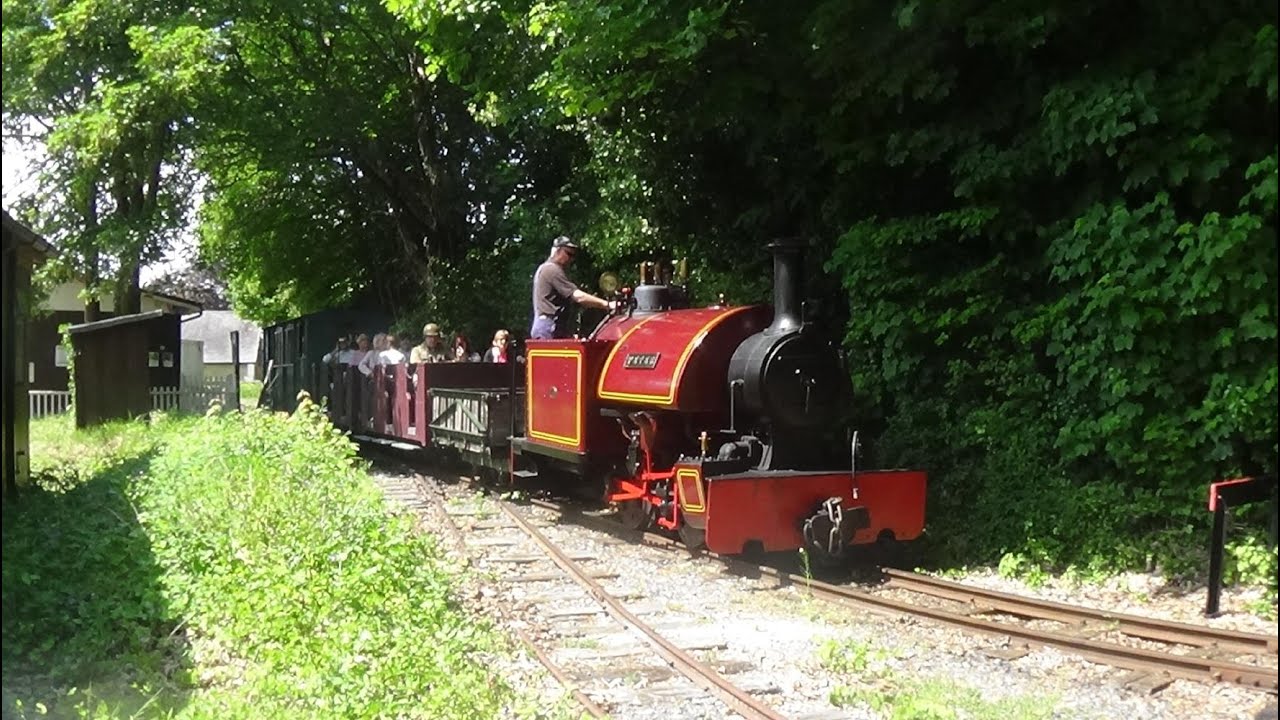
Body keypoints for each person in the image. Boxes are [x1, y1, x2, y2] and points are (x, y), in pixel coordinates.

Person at [530, 236, 612, 340]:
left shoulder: (546, 268)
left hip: (548, 326)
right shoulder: (552, 270)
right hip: (549, 328)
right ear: (558, 251)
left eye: (573, 255)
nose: (571, 259)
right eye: (569, 254)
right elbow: (578, 297)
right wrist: (607, 304)